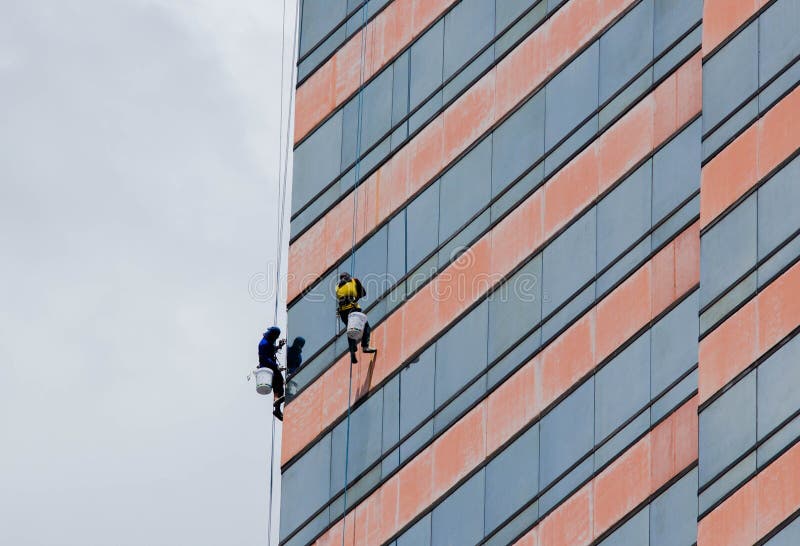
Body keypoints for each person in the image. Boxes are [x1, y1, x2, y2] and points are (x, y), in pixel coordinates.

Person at [336, 272, 376, 364]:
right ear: (348, 276)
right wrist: (356, 297)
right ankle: (365, 346)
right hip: (352, 309)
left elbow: (341, 297)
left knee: (350, 329)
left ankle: (352, 350)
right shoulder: (354, 281)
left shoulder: (337, 286)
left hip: (343, 312)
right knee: (366, 326)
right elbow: (363, 293)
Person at [258, 326, 286, 420]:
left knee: (279, 384)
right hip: (267, 366)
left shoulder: (269, 341)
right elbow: (265, 358)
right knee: (278, 382)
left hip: (271, 366)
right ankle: (276, 400)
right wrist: (275, 366)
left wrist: (279, 346)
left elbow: (271, 349)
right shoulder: (263, 344)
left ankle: (277, 408)